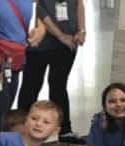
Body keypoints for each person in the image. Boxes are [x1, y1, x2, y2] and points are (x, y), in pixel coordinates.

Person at [17, 0, 83, 138]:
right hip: (40, 43)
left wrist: (81, 30)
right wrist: (60, 35)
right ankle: (21, 131)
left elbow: (79, 3)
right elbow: (38, 9)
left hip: (68, 43)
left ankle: (64, 131)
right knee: (31, 87)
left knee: (59, 87)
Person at [0, 0, 44, 132]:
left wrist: (41, 28)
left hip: (16, 58)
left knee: (8, 106)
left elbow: (37, 10)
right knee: (0, 113)